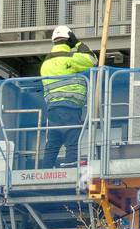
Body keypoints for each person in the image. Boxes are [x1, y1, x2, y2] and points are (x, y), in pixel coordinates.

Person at [40, 25, 97, 168]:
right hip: (70, 106)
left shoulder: (45, 63)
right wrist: (77, 43)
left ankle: (45, 170)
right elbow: (92, 59)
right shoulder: (70, 58)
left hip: (52, 108)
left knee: (53, 141)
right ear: (69, 40)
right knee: (72, 138)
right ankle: (70, 167)